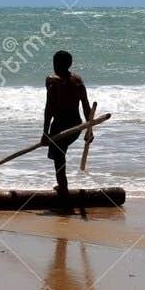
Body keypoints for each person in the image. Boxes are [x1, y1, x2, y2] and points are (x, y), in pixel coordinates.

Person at [41, 50, 93, 195]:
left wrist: (45, 133)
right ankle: (62, 185)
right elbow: (86, 106)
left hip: (59, 126)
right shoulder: (78, 80)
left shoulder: (51, 80)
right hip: (76, 126)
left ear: (57, 63)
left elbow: (49, 109)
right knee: (60, 154)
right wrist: (89, 130)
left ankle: (63, 188)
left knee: (58, 156)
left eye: (55, 62)